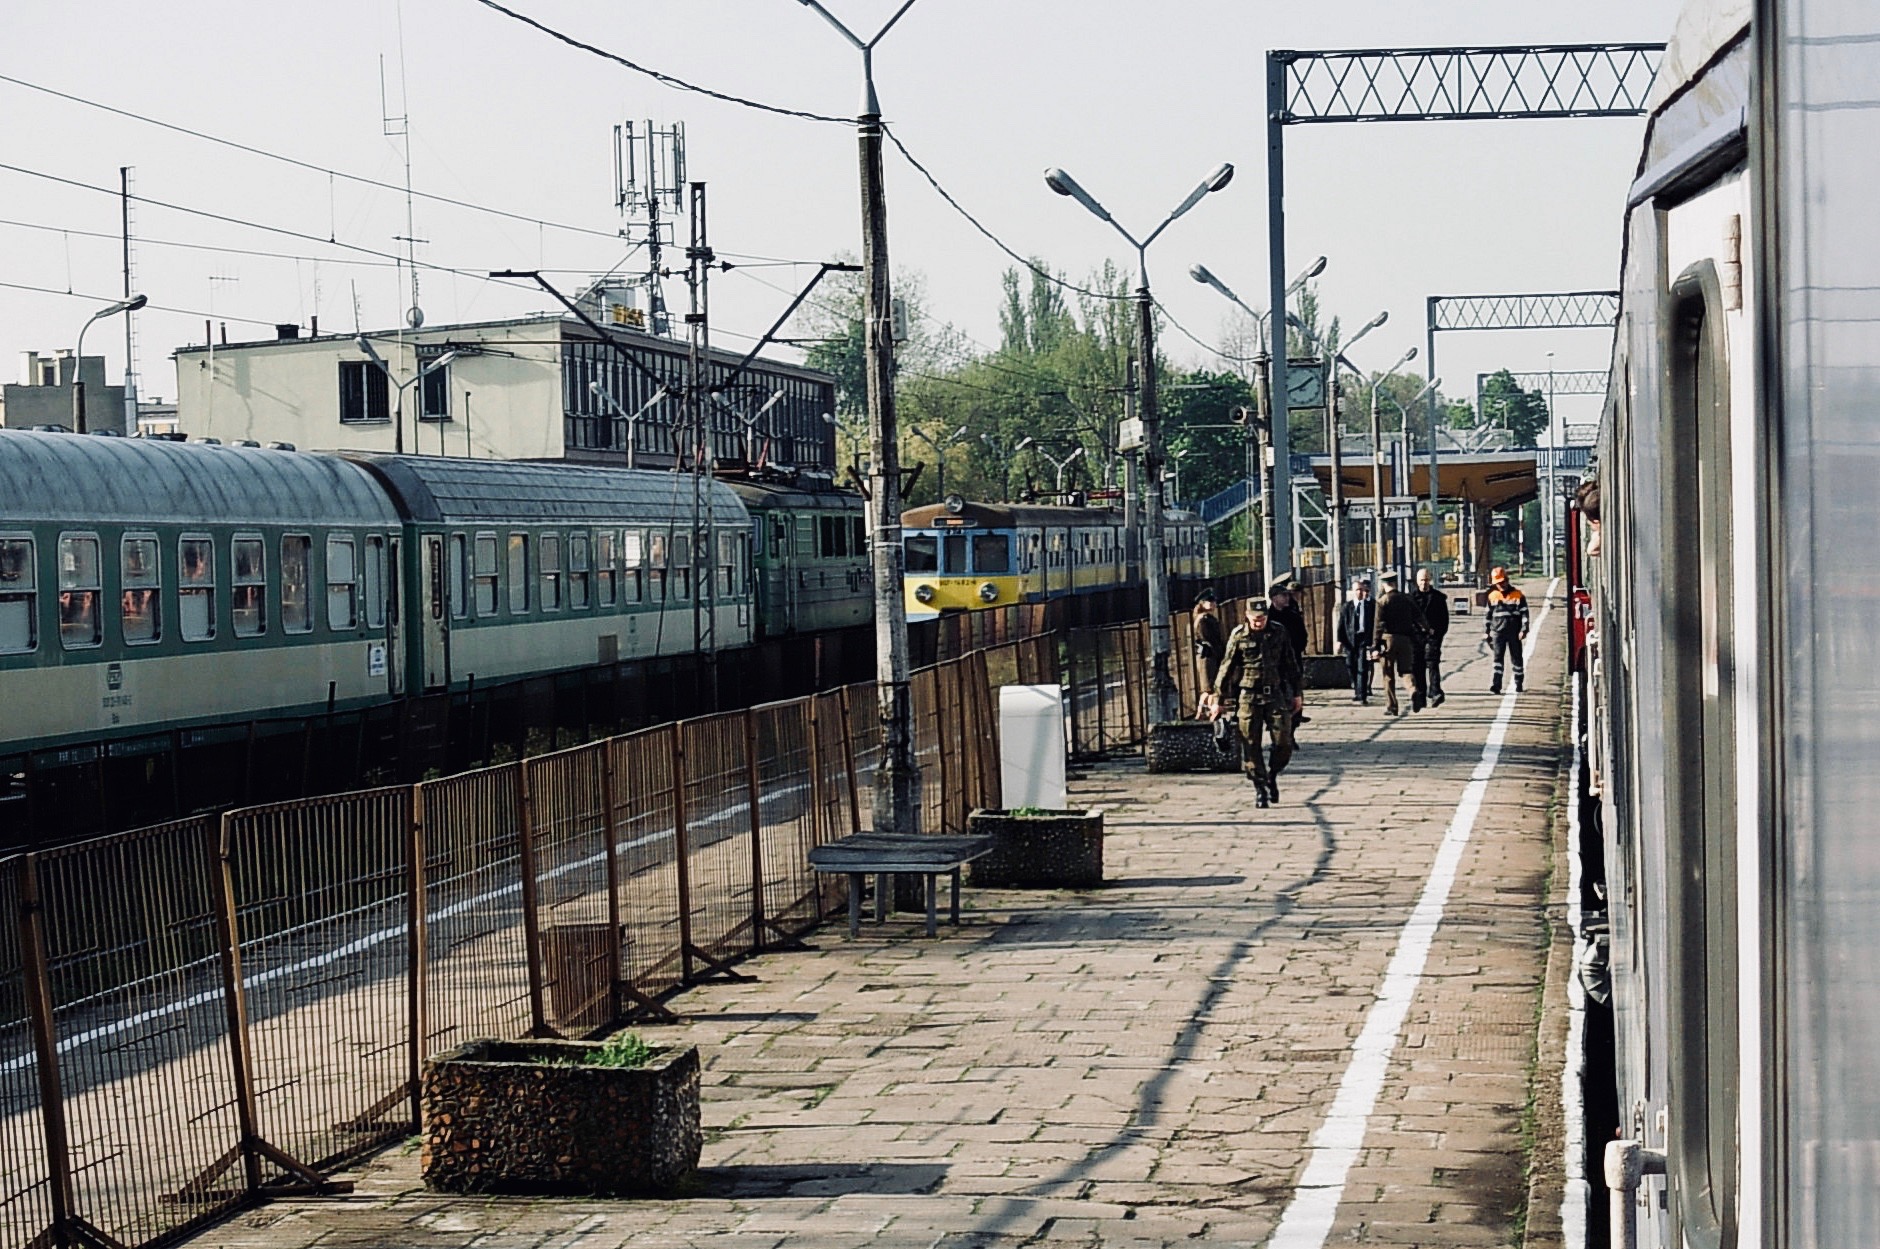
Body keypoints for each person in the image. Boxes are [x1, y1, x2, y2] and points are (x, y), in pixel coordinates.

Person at [1209, 597, 1302, 808]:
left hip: (1275, 693)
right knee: (1250, 743)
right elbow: (1226, 668)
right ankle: (1260, 787)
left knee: (1283, 741)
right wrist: (1218, 700)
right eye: (1255, 619)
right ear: (1247, 617)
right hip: (1249, 695)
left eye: (1263, 618)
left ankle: (1272, 774)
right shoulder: (1239, 636)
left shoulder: (1279, 632)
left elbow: (1290, 663)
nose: (1259, 622)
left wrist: (1297, 694)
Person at [1374, 570, 1430, 716]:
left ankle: (1392, 706)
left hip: (1388, 640)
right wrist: (1428, 629)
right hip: (1406, 640)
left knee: (1388, 675)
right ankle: (1413, 691)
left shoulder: (1382, 601)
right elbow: (1419, 617)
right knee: (1406, 671)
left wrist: (1375, 646)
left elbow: (1379, 625)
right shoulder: (1407, 599)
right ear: (1395, 583)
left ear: (1384, 585)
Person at [1266, 575, 1311, 728]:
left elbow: (1302, 637)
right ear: (1273, 598)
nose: (1287, 598)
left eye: (1287, 595)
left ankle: (1292, 730)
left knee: (1294, 694)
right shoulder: (1267, 618)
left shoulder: (1292, 616)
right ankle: (1278, 731)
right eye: (1283, 595)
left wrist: (1294, 651)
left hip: (1292, 661)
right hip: (1273, 665)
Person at [1485, 566, 1530, 693]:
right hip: (1498, 632)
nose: (1501, 585)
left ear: (1507, 580)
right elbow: (1487, 616)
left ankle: (1518, 683)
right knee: (1497, 659)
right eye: (1498, 584)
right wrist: (1486, 631)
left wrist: (1524, 629)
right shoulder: (1492, 596)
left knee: (1516, 659)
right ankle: (1496, 685)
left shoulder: (1517, 595)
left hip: (1514, 632)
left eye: (1502, 582)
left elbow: (1524, 614)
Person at [1410, 567, 1450, 707]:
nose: (1424, 583)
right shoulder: (1411, 598)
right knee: (1418, 666)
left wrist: (1437, 634)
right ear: (1417, 581)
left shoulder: (1438, 598)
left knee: (1433, 664)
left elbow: (1444, 620)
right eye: (1422, 580)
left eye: (1426, 580)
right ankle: (1421, 695)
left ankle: (1435, 692)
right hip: (1416, 638)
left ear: (1430, 580)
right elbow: (1408, 619)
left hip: (1433, 636)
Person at [1190, 588, 1227, 716]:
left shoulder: (1207, 618)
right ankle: (1208, 713)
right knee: (1210, 688)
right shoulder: (1204, 619)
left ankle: (1200, 712)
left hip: (1209, 657)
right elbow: (1210, 639)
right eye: (1209, 601)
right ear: (1202, 603)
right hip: (1208, 657)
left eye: (1213, 601)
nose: (1213, 604)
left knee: (1208, 689)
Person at [1339, 577, 1375, 703]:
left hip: (1363, 640)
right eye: (1357, 590)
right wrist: (1340, 641)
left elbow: (1373, 624)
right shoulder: (1346, 607)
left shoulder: (1370, 606)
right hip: (1350, 640)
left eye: (1361, 590)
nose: (1359, 592)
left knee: (1363, 667)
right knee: (1351, 665)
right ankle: (1356, 689)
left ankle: (1363, 695)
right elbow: (1342, 625)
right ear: (1353, 591)